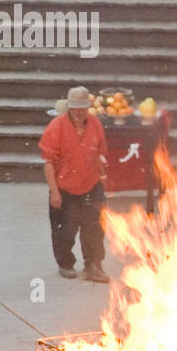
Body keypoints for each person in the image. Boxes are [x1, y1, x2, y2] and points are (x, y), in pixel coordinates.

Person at [34, 86, 111, 281]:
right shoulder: (56, 127)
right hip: (64, 187)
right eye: (75, 108)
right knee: (64, 230)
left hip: (91, 185)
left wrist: (103, 179)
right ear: (68, 107)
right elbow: (49, 163)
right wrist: (54, 192)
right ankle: (65, 263)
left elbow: (98, 156)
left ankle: (93, 265)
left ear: (88, 107)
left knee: (94, 227)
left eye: (82, 108)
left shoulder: (96, 125)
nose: (78, 112)